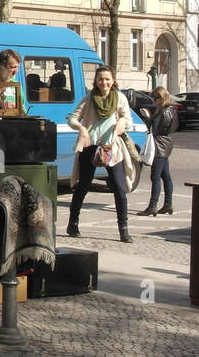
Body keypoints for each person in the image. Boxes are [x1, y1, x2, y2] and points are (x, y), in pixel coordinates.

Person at [67, 65, 134, 243]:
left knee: (119, 188)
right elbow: (72, 118)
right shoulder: (89, 99)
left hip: (111, 148)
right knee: (83, 185)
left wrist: (123, 123)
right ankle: (73, 223)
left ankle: (123, 229)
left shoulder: (119, 98)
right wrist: (81, 128)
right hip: (90, 146)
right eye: (100, 79)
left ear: (113, 80)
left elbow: (128, 118)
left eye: (107, 79)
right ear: (96, 81)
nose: (104, 82)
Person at [137, 87, 178, 216]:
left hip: (159, 146)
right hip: (164, 144)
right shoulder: (170, 109)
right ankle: (167, 204)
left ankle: (153, 206)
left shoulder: (165, 111)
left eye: (156, 98)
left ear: (162, 97)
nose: (155, 100)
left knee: (155, 176)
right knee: (165, 176)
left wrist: (148, 117)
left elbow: (156, 129)